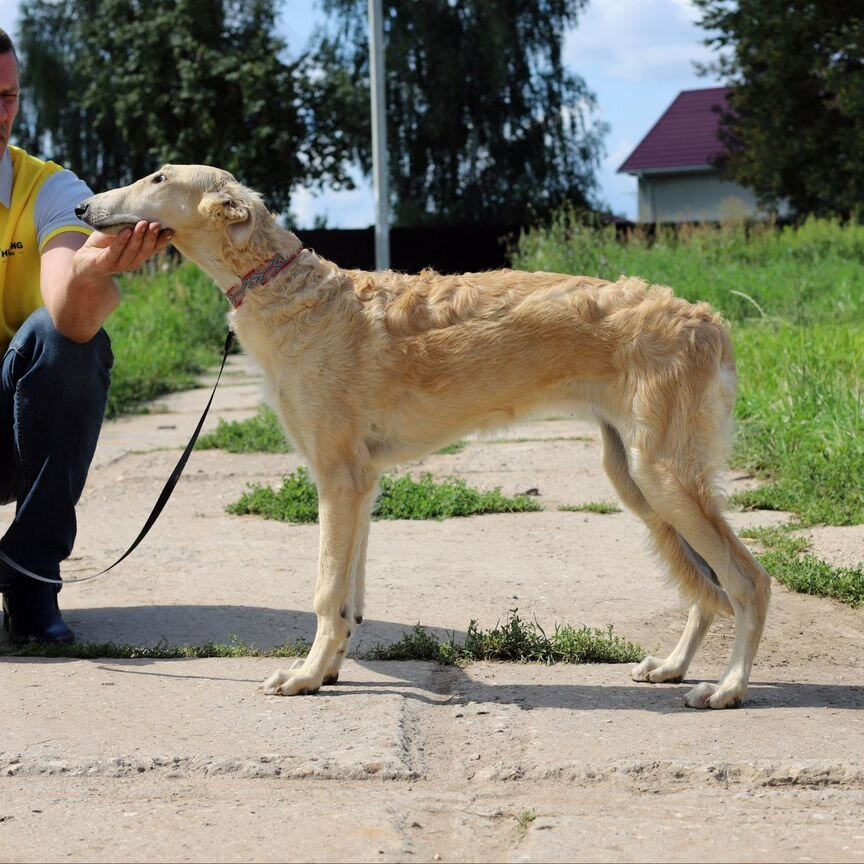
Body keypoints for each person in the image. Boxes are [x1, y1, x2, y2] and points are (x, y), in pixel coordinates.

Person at [0, 28, 173, 643]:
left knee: (73, 341)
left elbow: (66, 317)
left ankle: (29, 577)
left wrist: (96, 267)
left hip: (10, 424)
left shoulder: (51, 191)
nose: (0, 115)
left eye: (8, 97)